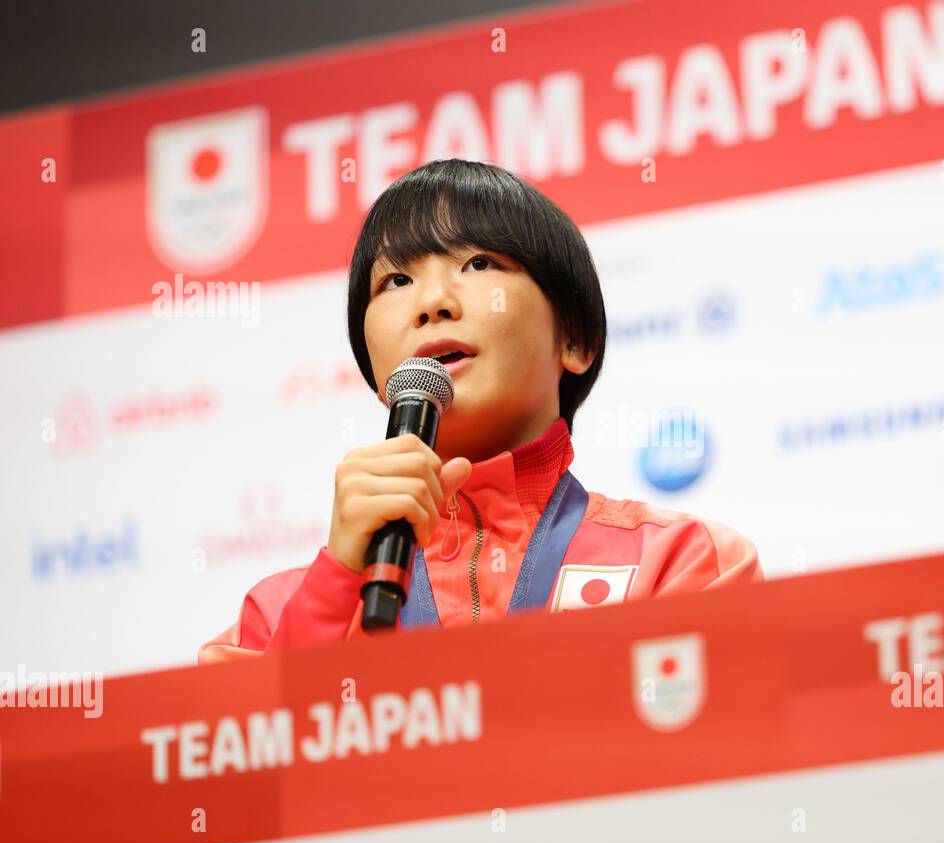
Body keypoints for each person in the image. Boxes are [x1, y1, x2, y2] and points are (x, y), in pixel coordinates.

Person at [198, 159, 762, 665]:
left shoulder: (679, 565)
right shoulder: (269, 623)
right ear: (377, 378)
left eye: (479, 263)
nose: (431, 303)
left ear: (574, 339)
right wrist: (337, 584)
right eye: (396, 280)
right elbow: (240, 768)